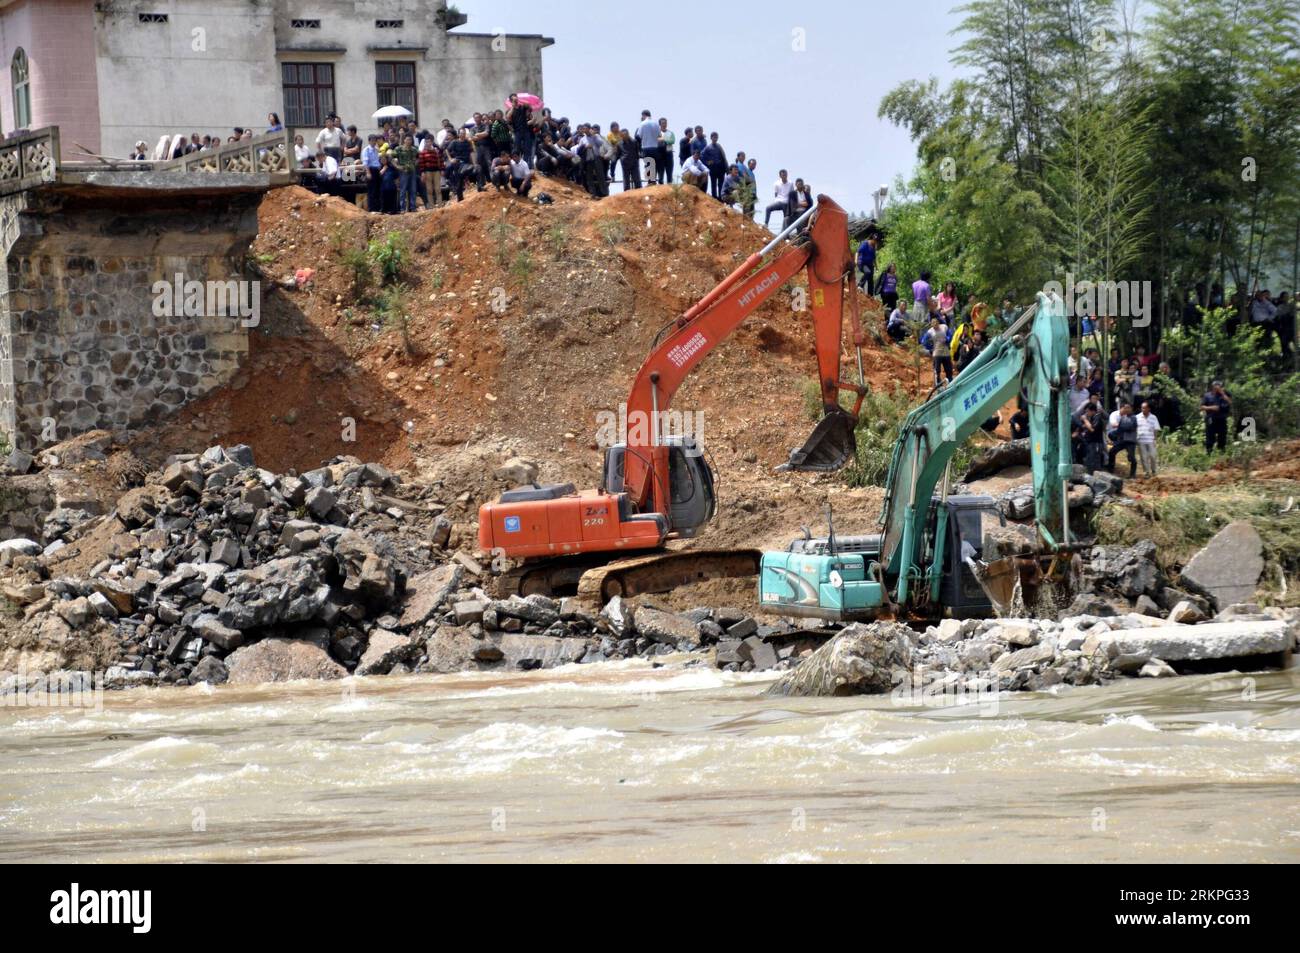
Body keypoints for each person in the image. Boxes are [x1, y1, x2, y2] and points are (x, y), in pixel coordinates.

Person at [922, 315, 954, 386]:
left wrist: (947, 340)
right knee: (937, 371)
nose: (935, 324)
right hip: (937, 353)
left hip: (946, 352)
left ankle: (950, 383)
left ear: (938, 322)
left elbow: (950, 334)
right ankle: (938, 386)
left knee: (949, 369)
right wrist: (930, 348)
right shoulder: (930, 332)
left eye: (936, 322)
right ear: (931, 324)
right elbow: (924, 341)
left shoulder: (944, 327)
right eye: (933, 323)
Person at [1108, 402, 1137, 478]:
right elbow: (1119, 429)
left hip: (1130, 441)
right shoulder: (1123, 418)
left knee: (1131, 457)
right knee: (1112, 452)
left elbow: (1130, 427)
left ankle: (1132, 475)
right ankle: (1110, 470)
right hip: (1122, 440)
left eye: (1128, 408)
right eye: (1125, 408)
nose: (1127, 409)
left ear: (1131, 409)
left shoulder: (1134, 418)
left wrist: (1121, 427)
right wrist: (1112, 435)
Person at [1200, 380, 1231, 452]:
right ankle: (1209, 452)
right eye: (1216, 386)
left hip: (1222, 418)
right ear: (1212, 387)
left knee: (1222, 436)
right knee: (1210, 436)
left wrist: (1223, 393)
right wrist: (1211, 407)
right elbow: (1201, 407)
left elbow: (1229, 402)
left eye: (1219, 386)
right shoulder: (1207, 395)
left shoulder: (1224, 395)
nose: (1217, 387)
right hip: (1211, 418)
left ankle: (1221, 452)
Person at [391, 134, 419, 212]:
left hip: (412, 171)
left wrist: (415, 163)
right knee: (403, 190)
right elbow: (391, 157)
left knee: (413, 189)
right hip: (403, 171)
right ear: (404, 140)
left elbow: (418, 157)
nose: (409, 141)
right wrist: (397, 166)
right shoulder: (399, 149)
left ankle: (412, 207)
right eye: (407, 139)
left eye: (410, 140)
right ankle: (402, 208)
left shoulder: (414, 149)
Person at [445, 127, 473, 202]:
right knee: (458, 180)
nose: (463, 135)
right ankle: (459, 198)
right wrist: (450, 159)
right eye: (461, 133)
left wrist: (472, 162)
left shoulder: (467, 142)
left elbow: (471, 153)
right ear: (458, 134)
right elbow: (447, 150)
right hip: (458, 163)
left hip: (466, 163)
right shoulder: (454, 142)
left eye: (464, 133)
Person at [1135, 400, 1161, 477]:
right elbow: (1135, 429)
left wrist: (1155, 439)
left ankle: (1153, 471)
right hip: (1141, 440)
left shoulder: (1153, 417)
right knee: (1143, 457)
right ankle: (1146, 472)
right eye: (1142, 408)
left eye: (1144, 408)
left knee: (1153, 456)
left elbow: (1156, 429)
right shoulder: (1137, 417)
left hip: (1150, 440)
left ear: (1149, 408)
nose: (1143, 409)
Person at [418, 135, 443, 208]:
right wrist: (422, 172)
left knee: (438, 189)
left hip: (436, 171)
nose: (427, 143)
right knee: (429, 190)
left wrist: (442, 169)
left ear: (432, 142)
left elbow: (440, 160)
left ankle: (440, 205)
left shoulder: (436, 151)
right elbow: (421, 163)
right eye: (426, 142)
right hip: (427, 172)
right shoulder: (423, 152)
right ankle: (432, 206)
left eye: (429, 141)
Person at [701, 132, 727, 200]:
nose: (715, 138)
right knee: (713, 183)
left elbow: (724, 157)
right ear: (711, 138)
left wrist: (726, 168)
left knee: (721, 184)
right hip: (713, 168)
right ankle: (714, 197)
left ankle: (721, 197)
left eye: (716, 137)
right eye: (714, 137)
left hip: (721, 168)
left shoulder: (719, 146)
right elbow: (702, 155)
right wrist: (707, 162)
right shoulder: (708, 147)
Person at [636, 110, 660, 184]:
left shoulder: (643, 124)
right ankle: (653, 180)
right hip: (655, 147)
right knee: (654, 164)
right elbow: (659, 135)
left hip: (646, 147)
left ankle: (650, 181)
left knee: (648, 164)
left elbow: (638, 136)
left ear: (644, 115)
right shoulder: (656, 123)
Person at [362, 134, 382, 211]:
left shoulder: (376, 150)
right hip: (371, 170)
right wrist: (368, 173)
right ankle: (372, 209)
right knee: (371, 191)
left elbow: (377, 161)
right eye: (372, 140)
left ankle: (377, 208)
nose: (374, 142)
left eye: (375, 140)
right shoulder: (366, 150)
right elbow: (365, 163)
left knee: (377, 190)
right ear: (369, 141)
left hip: (377, 170)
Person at [657, 118, 675, 184]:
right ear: (660, 124)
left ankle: (670, 189)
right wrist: (665, 139)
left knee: (669, 174)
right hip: (660, 155)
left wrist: (663, 139)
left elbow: (672, 141)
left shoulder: (670, 133)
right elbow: (656, 141)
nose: (664, 124)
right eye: (663, 123)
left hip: (669, 154)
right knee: (660, 174)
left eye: (665, 123)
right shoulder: (657, 133)